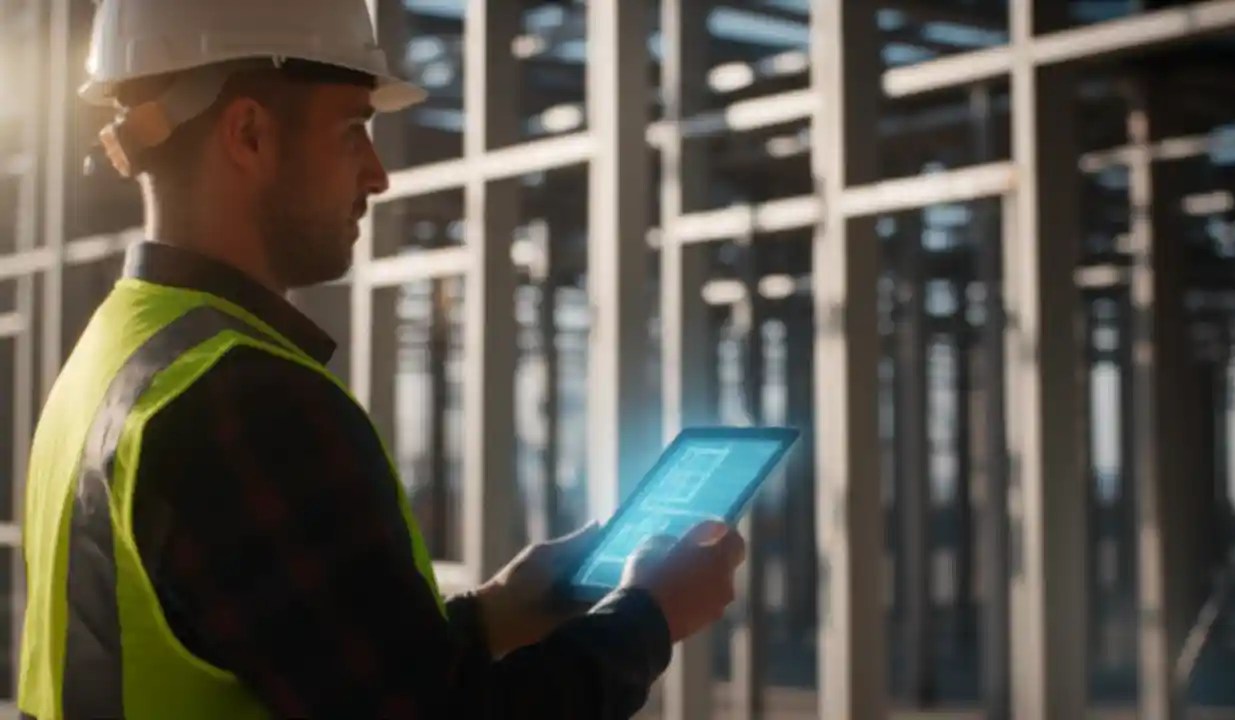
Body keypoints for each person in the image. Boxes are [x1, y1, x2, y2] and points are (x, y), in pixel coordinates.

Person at [17, 1, 746, 718]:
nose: (377, 174)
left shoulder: (116, 354)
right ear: (248, 134)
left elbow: (324, 671)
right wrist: (649, 617)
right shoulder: (245, 401)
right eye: (351, 131)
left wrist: (496, 614)